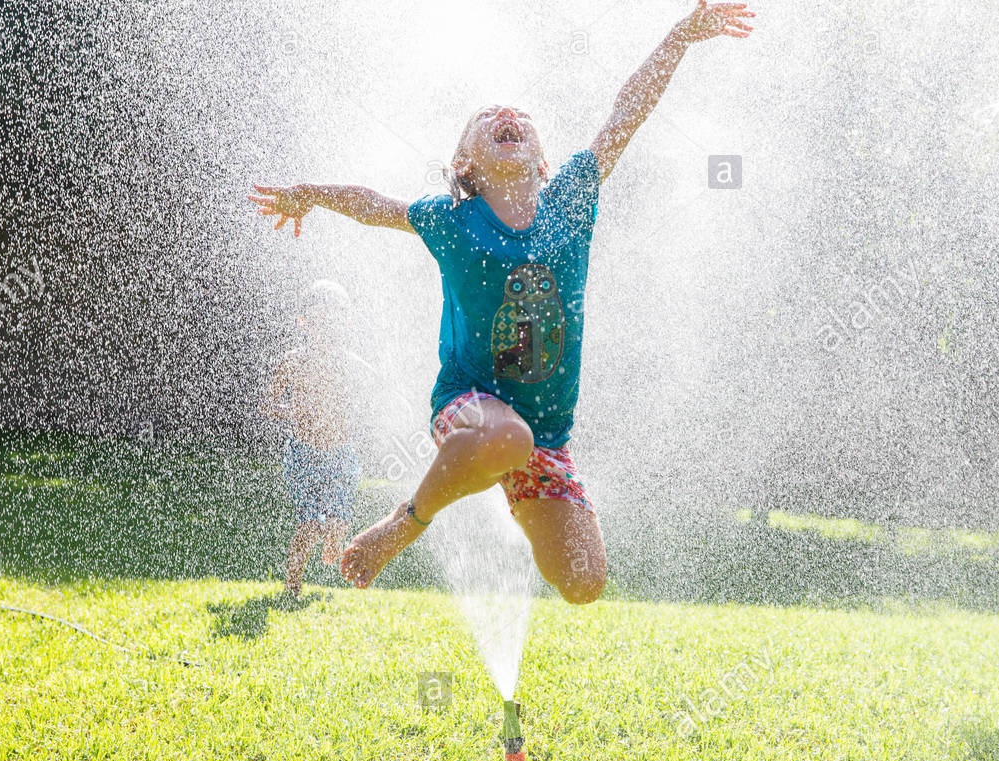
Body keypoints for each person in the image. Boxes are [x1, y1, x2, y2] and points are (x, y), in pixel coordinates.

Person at [249, 2, 754, 603]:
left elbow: (627, 112)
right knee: (504, 437)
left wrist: (680, 36)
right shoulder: (452, 220)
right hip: (467, 406)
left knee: (584, 582)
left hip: (544, 435)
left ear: (543, 162)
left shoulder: (572, 200)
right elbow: (375, 204)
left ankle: (509, 478)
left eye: (520, 116)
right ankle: (404, 523)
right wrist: (311, 195)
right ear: (465, 164)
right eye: (487, 117)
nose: (507, 114)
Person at [260, 281, 362, 598]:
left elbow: (376, 390)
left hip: (341, 454)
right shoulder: (292, 361)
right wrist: (293, 411)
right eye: (318, 322)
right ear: (304, 323)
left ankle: (332, 543)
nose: (325, 329)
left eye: (332, 322)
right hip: (303, 453)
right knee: (308, 525)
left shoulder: (351, 364)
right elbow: (266, 404)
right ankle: (292, 586)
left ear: (344, 323)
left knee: (336, 524)